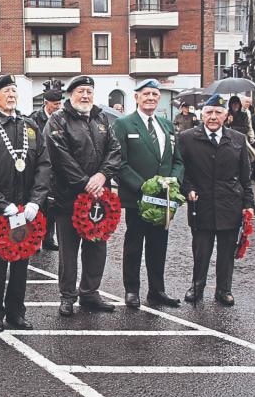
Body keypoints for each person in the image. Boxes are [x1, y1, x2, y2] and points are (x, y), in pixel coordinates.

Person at [0, 75, 51, 331]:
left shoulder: (30, 126)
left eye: (14, 90)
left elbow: (44, 165)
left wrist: (36, 201)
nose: (12, 95)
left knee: (21, 262)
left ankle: (17, 312)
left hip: (25, 210)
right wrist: (2, 204)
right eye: (6, 91)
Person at [45, 75, 122, 317]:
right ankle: (68, 296)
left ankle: (90, 292)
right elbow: (59, 156)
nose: (85, 95)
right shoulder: (58, 120)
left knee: (97, 246)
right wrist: (85, 182)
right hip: (68, 197)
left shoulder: (101, 118)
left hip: (100, 198)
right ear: (70, 95)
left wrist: (102, 175)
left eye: (89, 91)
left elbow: (115, 150)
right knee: (68, 252)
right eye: (80, 91)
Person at [113, 79, 185, 309]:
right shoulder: (124, 125)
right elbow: (120, 163)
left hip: (163, 200)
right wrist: (145, 187)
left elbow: (178, 160)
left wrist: (173, 182)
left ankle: (157, 290)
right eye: (146, 94)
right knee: (134, 244)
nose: (151, 98)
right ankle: (131, 290)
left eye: (155, 94)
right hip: (138, 198)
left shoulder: (167, 125)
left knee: (158, 245)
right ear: (136, 97)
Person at [180, 94, 254, 306]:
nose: (213, 117)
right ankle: (197, 286)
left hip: (230, 203)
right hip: (201, 203)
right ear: (202, 115)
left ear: (226, 116)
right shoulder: (186, 138)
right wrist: (188, 189)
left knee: (226, 251)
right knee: (201, 250)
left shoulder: (238, 139)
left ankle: (224, 290)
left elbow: (245, 176)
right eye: (209, 113)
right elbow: (182, 171)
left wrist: (248, 205)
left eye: (218, 113)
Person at [29, 81, 64, 251]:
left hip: (57, 170)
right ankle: (35, 239)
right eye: (55, 104)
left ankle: (48, 238)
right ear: (46, 103)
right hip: (40, 168)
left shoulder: (63, 119)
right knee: (38, 205)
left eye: (60, 103)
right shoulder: (34, 119)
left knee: (52, 207)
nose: (58, 106)